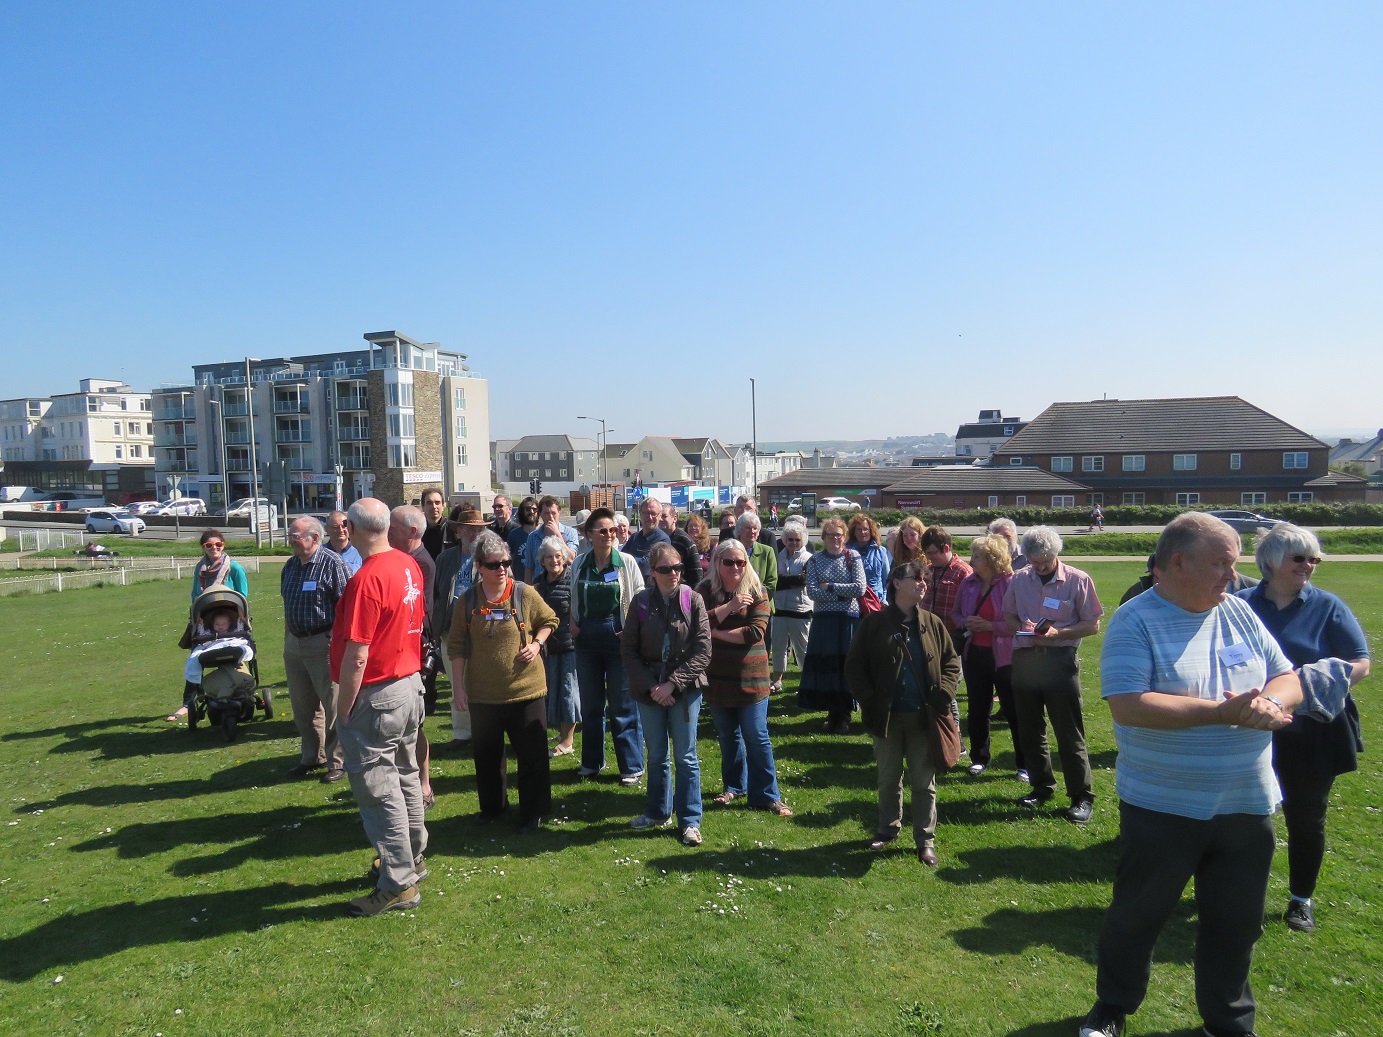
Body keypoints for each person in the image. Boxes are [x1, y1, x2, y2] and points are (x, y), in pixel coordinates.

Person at [1080, 512, 1302, 1037]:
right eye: (1222, 563)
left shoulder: (1239, 612)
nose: (1234, 574)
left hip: (1245, 804)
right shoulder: (1136, 619)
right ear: (1177, 563)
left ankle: (1228, 1023)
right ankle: (1113, 1006)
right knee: (1138, 916)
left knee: (1236, 924)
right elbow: (1129, 705)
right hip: (1164, 806)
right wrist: (1218, 713)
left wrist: (1270, 702)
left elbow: (1286, 675)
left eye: (1235, 562)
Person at [1237, 522, 1370, 934]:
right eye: (1299, 557)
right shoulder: (1240, 604)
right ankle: (1239, 892)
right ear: (1271, 561)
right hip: (1252, 728)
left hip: (1313, 731)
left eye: (1314, 558)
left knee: (1306, 818)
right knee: (1244, 815)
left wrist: (1306, 685)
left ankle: (1300, 900)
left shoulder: (1327, 606)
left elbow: (1360, 662)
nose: (1309, 565)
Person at [329, 498, 428, 917]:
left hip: (379, 691)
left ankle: (398, 883)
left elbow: (357, 652)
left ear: (350, 528)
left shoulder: (367, 578)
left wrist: (344, 709)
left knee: (377, 788)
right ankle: (412, 859)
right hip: (409, 686)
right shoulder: (408, 564)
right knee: (404, 775)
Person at [846, 561, 961, 866]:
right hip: (887, 718)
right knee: (888, 778)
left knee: (924, 782)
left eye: (926, 579)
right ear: (896, 583)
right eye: (917, 578)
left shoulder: (933, 622)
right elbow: (854, 666)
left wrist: (945, 692)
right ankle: (888, 829)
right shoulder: (874, 624)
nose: (923, 583)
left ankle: (925, 840)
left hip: (924, 717)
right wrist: (870, 700)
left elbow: (951, 662)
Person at [448, 530, 559, 834]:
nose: (502, 570)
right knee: (486, 757)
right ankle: (493, 808)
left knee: (532, 756)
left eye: (506, 563)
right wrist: (458, 689)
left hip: (526, 691)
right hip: (483, 695)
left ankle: (533, 812)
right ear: (479, 566)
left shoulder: (524, 593)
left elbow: (550, 620)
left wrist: (536, 644)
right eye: (495, 564)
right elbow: (456, 646)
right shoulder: (467, 601)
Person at [1002, 525, 1104, 824]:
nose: (1040, 566)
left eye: (1045, 560)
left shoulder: (1077, 580)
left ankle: (1081, 796)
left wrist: (1059, 633)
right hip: (1025, 658)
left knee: (1068, 732)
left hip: (1060, 660)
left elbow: (1092, 624)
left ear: (1056, 554)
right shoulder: (1020, 579)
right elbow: (1008, 615)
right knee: (1030, 730)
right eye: (1035, 561)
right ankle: (1041, 786)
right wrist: (1022, 626)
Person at [621, 541, 713, 845]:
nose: (673, 573)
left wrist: (673, 683)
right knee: (657, 754)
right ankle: (659, 811)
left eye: (677, 568)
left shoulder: (693, 600)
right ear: (652, 572)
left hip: (684, 689)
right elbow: (629, 651)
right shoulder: (640, 602)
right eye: (665, 569)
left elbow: (702, 651)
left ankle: (690, 820)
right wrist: (653, 687)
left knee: (686, 756)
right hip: (649, 688)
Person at [698, 538, 793, 816]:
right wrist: (730, 606)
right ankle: (733, 786)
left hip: (752, 678)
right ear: (717, 563)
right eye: (729, 562)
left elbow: (754, 633)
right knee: (728, 735)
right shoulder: (705, 590)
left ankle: (767, 794)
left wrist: (714, 633)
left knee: (756, 735)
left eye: (741, 561)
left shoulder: (757, 590)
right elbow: (695, 620)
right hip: (717, 677)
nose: (736, 567)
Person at [568, 507, 646, 783]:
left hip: (617, 638)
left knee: (622, 706)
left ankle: (631, 767)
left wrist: (630, 630)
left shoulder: (626, 563)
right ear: (589, 535)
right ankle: (592, 762)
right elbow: (573, 596)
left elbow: (639, 599)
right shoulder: (579, 563)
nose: (609, 535)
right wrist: (573, 623)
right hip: (586, 639)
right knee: (590, 705)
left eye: (612, 530)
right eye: (602, 531)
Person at [279, 515, 352, 782]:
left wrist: (334, 640)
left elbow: (347, 606)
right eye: (291, 537)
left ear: (315, 538)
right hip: (295, 644)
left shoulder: (332, 564)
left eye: (296, 538)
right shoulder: (290, 566)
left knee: (332, 706)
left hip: (324, 643)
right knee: (302, 707)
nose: (292, 542)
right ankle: (312, 757)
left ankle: (338, 761)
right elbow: (287, 605)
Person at [951, 535, 1023, 780]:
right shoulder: (968, 583)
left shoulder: (1011, 583)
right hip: (974, 654)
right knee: (978, 708)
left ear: (992, 559)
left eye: (977, 556)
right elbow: (956, 613)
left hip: (1005, 656)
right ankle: (979, 758)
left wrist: (991, 626)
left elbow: (1018, 622)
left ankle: (1024, 763)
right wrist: (966, 622)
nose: (972, 559)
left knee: (1014, 710)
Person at [168, 529, 250, 722]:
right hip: (207, 622)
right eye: (209, 545)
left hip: (230, 622)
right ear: (203, 548)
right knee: (195, 659)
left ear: (223, 545)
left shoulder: (235, 568)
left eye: (218, 544)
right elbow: (196, 594)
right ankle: (188, 703)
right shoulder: (200, 569)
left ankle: (237, 691)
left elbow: (242, 597)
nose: (214, 548)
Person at [389, 505, 438, 808]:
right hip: (411, 648)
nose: (387, 532)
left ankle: (423, 786)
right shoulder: (408, 560)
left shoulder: (418, 563)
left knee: (414, 724)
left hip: (416, 649)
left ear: (411, 531)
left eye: (392, 527)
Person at [799, 517, 867, 733]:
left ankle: (845, 714)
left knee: (846, 666)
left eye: (839, 535)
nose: (835, 539)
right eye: (831, 535)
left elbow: (859, 588)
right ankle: (831, 713)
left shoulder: (852, 556)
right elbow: (812, 592)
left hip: (848, 619)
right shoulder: (815, 560)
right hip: (824, 621)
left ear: (844, 537)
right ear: (824, 537)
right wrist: (840, 594)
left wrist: (829, 587)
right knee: (828, 667)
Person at [434, 504, 489, 746]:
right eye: (469, 530)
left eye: (478, 530)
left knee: (479, 681)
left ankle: (482, 730)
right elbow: (437, 592)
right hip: (450, 630)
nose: (474, 534)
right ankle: (461, 733)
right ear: (458, 532)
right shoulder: (445, 558)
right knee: (456, 682)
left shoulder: (490, 557)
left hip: (480, 628)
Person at [533, 535, 580, 758]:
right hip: (546, 647)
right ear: (542, 560)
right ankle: (561, 735)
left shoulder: (572, 579)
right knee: (551, 691)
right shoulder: (538, 583)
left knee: (568, 693)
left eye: (558, 556)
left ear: (565, 558)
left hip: (569, 645)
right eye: (549, 557)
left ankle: (568, 741)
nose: (554, 561)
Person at [771, 518, 813, 694]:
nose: (793, 543)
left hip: (801, 609)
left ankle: (807, 682)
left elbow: (804, 580)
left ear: (803, 540)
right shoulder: (777, 556)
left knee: (802, 648)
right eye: (790, 539)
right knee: (779, 647)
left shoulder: (810, 558)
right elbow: (773, 581)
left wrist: (783, 581)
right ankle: (777, 680)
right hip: (779, 608)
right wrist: (790, 581)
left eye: (797, 539)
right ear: (784, 540)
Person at [919, 525, 972, 653]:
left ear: (946, 548)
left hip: (951, 637)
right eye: (926, 553)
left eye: (932, 553)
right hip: (928, 635)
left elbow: (969, 608)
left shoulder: (963, 572)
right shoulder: (928, 570)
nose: (929, 557)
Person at [523, 496, 579, 582]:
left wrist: (557, 534)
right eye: (546, 513)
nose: (551, 517)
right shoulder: (533, 537)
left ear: (559, 512)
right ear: (540, 514)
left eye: (553, 513)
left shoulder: (570, 533)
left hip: (563, 586)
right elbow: (529, 568)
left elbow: (571, 560)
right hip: (539, 586)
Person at [623, 497, 672, 580]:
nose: (649, 517)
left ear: (660, 516)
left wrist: (629, 561)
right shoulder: (634, 537)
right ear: (640, 514)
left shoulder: (663, 540)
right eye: (646, 513)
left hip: (649, 590)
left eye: (653, 513)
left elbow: (644, 568)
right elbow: (621, 561)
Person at [848, 513, 890, 606]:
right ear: (853, 532)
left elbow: (886, 579)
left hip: (875, 602)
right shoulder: (846, 550)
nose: (862, 532)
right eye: (859, 529)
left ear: (871, 531)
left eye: (865, 529)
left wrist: (883, 599)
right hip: (852, 603)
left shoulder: (881, 551)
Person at [660, 504, 704, 590]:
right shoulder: (658, 539)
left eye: (664, 516)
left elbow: (697, 574)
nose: (661, 519)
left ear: (675, 518)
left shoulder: (685, 540)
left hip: (682, 593)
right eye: (659, 516)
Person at [325, 510, 363, 576]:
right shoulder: (319, 552)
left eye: (344, 526)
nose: (341, 530)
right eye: (335, 527)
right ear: (326, 529)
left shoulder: (361, 553)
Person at [506, 496, 540, 562]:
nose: (531, 512)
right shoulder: (514, 534)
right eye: (528, 509)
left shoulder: (544, 533)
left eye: (534, 509)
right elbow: (510, 561)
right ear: (522, 511)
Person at [419, 487, 448, 560]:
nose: (434, 507)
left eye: (437, 503)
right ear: (423, 506)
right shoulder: (416, 531)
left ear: (443, 506)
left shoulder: (452, 530)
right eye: (429, 503)